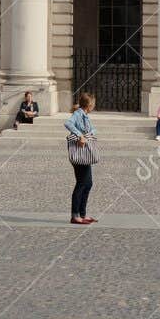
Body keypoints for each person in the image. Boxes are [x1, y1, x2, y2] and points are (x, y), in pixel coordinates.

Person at [65, 92, 98, 225]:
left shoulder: (85, 115)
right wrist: (80, 136)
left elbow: (93, 129)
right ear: (89, 105)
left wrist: (90, 134)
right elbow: (68, 124)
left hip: (85, 154)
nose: (94, 106)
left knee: (88, 183)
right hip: (79, 153)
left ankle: (82, 213)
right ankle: (75, 215)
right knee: (81, 183)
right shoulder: (78, 114)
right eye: (93, 104)